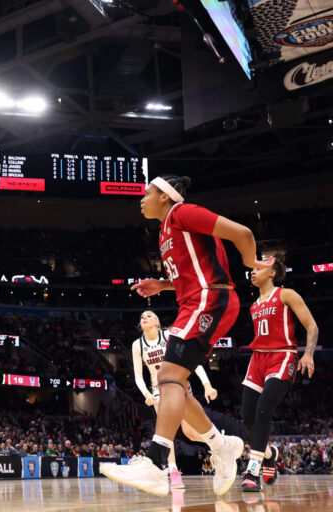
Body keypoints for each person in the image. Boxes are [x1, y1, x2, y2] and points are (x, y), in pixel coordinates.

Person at [100, 174, 273, 497]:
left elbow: (243, 233)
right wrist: (162, 285)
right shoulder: (166, 230)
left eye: (147, 192)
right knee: (178, 386)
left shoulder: (182, 213)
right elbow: (190, 274)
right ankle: (222, 446)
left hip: (211, 298)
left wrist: (251, 261)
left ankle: (155, 463)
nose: (142, 197)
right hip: (193, 301)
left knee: (167, 377)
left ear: (165, 196)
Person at [240, 258, 319, 491]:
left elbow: (312, 325)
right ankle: (269, 452)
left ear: (272, 273)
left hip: (282, 356)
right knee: (248, 417)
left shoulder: (286, 294)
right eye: (251, 269)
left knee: (264, 409)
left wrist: (309, 354)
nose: (252, 272)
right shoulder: (254, 305)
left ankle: (252, 472)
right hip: (257, 360)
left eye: (257, 268)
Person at [132, 310, 219, 489]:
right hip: (159, 390)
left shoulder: (168, 336)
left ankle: (221, 443)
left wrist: (207, 385)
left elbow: (191, 361)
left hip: (180, 385)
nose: (144, 318)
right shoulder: (137, 345)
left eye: (148, 315)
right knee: (166, 432)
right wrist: (147, 395)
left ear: (157, 321)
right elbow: (138, 377)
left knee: (190, 433)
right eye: (142, 317)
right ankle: (173, 472)